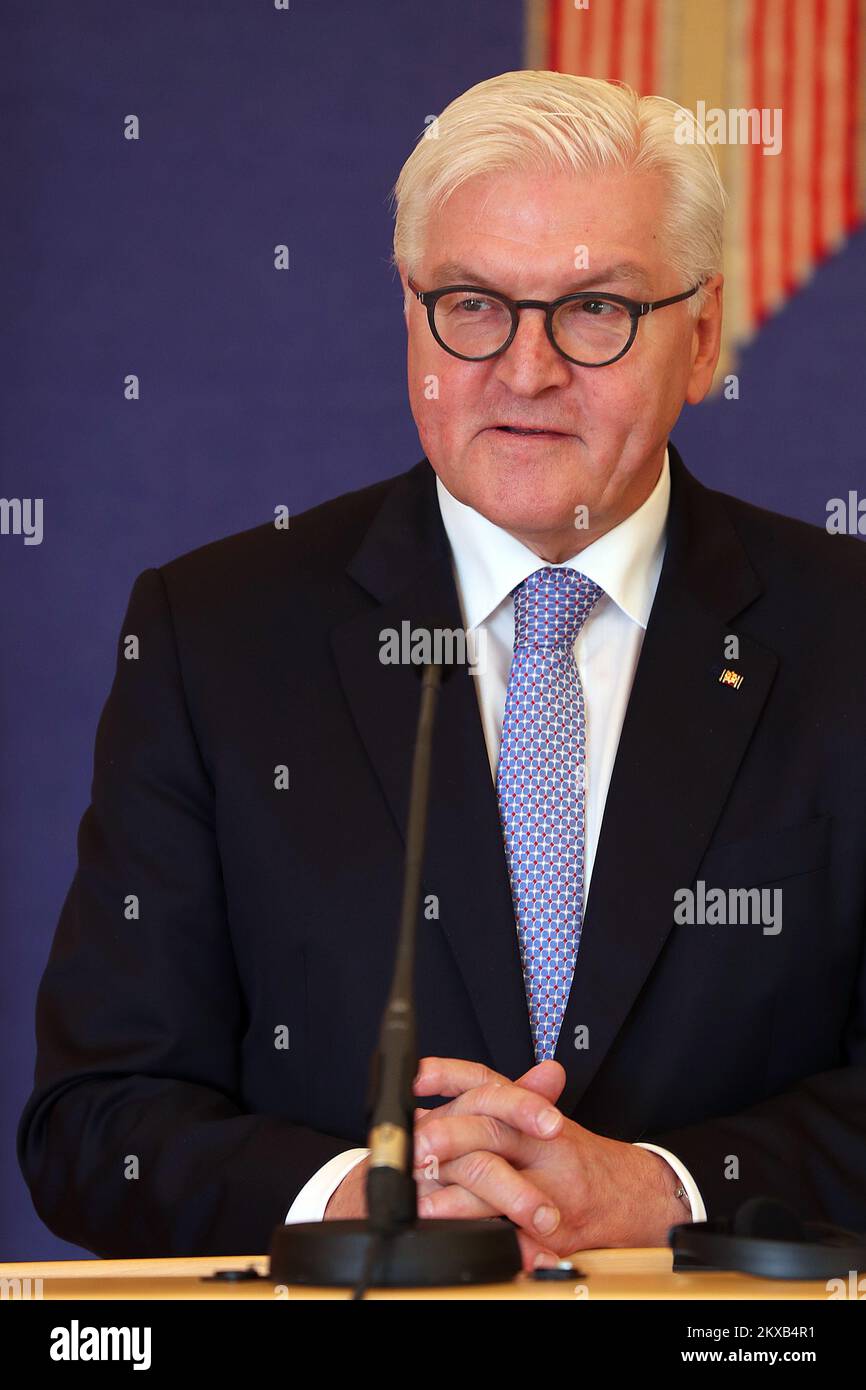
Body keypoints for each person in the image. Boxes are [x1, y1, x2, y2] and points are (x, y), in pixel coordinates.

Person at [18, 71, 866, 1267]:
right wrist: (359, 1194)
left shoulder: (845, 636)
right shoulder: (216, 634)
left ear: (699, 331)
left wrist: (664, 1185)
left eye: (593, 309)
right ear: (407, 313)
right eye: (470, 304)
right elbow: (95, 1124)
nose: (524, 371)